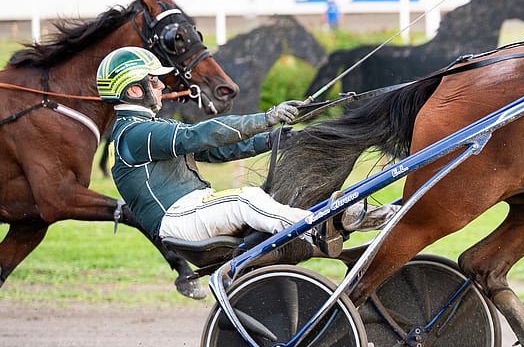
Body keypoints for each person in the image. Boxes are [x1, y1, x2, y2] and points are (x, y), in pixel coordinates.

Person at [97, 46, 392, 256]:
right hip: (179, 220)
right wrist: (264, 119)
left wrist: (271, 140)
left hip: (192, 211)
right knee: (246, 199)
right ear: (134, 90)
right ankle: (314, 227)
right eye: (153, 80)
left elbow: (215, 152)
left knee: (273, 198)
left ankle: (365, 216)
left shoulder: (144, 130)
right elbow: (200, 134)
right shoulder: (136, 133)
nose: (161, 85)